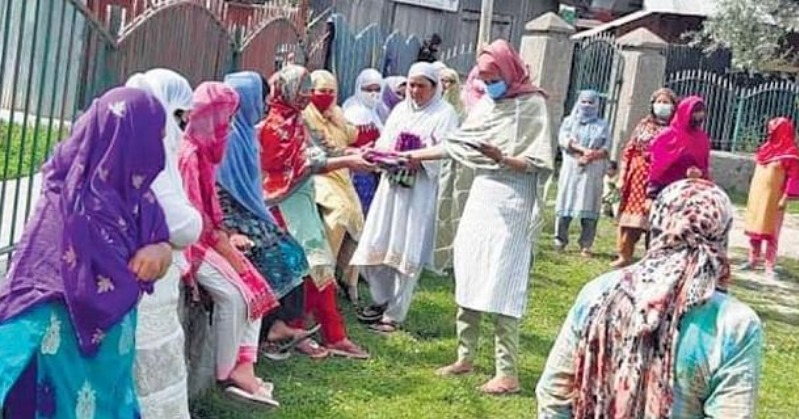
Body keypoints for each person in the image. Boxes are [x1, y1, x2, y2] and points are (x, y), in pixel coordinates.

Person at [0, 87, 173, 418]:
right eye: (154, 139)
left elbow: (162, 242)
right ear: (126, 144)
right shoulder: (62, 202)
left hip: (111, 354)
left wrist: (160, 252)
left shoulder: (140, 201)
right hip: (57, 342)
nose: (158, 153)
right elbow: (36, 274)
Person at [536, 179, 763, 419]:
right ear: (721, 235)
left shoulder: (599, 294)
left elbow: (554, 395)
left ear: (656, 225)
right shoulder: (734, 324)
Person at [408, 39, 553, 395]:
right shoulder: (486, 106)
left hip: (514, 199)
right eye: (484, 79)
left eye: (493, 77)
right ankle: (465, 356)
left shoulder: (532, 105)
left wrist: (502, 157)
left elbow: (538, 162)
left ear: (509, 71)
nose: (489, 85)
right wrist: (412, 156)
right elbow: (456, 144)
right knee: (470, 272)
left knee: (503, 282)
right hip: (483, 195)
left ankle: (508, 373)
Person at [178, 82, 280, 406]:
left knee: (256, 289)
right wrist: (225, 247)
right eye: (227, 118)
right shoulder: (189, 154)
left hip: (211, 239)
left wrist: (227, 240)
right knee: (235, 297)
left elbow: (214, 212)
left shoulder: (205, 153)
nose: (231, 126)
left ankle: (244, 368)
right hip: (191, 245)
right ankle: (227, 375)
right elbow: (196, 220)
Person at [260, 64, 370, 360]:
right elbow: (289, 170)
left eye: (311, 88)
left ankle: (326, 334)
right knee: (301, 269)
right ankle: (301, 333)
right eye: (303, 88)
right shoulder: (274, 126)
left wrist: (355, 155)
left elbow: (325, 150)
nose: (308, 95)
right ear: (286, 90)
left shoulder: (296, 121)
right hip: (283, 206)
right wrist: (343, 162)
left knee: (319, 268)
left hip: (303, 203)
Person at [350, 62, 459, 333]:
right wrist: (383, 155)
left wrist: (420, 160)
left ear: (434, 88)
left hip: (418, 191)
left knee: (407, 247)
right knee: (378, 241)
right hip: (390, 187)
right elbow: (386, 141)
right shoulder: (400, 110)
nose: (415, 91)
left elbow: (447, 149)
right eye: (411, 85)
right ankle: (380, 299)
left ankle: (395, 313)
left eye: (421, 85)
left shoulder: (445, 113)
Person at [217, 71, 312, 361]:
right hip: (229, 218)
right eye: (261, 96)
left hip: (249, 213)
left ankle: (277, 326)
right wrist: (231, 230)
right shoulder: (228, 137)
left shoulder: (245, 132)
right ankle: (269, 330)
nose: (267, 101)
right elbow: (218, 189)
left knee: (294, 252)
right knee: (273, 254)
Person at [125, 69, 202, 419]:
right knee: (149, 387)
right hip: (143, 299)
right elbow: (184, 227)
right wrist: (190, 222)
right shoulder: (150, 158)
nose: (181, 129)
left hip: (146, 293)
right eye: (179, 118)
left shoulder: (139, 148)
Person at [303, 70, 365, 304]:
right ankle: (322, 277)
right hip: (319, 173)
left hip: (341, 174)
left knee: (357, 215)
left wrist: (336, 118)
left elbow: (352, 135)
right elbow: (324, 148)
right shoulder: (306, 114)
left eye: (331, 92)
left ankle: (347, 278)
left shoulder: (336, 112)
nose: (326, 97)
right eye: (321, 92)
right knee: (338, 214)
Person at [612, 87, 677, 268]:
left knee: (656, 218)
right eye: (659, 102)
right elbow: (629, 150)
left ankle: (653, 256)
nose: (662, 106)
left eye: (666, 102)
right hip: (637, 176)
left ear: (673, 107)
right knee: (630, 219)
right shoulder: (644, 124)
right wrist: (623, 175)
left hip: (661, 177)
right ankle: (624, 255)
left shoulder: (675, 129)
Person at [554, 90, 612, 257]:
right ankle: (560, 241)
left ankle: (586, 244)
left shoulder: (603, 125)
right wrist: (582, 151)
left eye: (591, 103)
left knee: (590, 204)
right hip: (572, 167)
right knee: (566, 202)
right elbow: (564, 140)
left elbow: (606, 146)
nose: (587, 105)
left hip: (593, 170)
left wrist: (592, 155)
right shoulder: (569, 122)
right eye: (584, 102)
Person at [742, 117, 799, 279]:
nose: (770, 131)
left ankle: (769, 264)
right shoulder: (765, 149)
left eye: (774, 129)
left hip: (774, 198)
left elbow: (793, 177)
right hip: (758, 195)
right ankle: (752, 259)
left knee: (772, 230)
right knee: (755, 227)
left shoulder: (790, 152)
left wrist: (785, 197)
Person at [433, 66, 474, 274]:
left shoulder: (462, 111)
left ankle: (444, 256)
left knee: (445, 208)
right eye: (442, 81)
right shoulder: (433, 109)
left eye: (450, 82)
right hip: (430, 162)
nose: (446, 86)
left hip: (451, 165)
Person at [647, 95, 711, 199]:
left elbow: (704, 168)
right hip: (665, 192)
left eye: (701, 111)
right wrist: (650, 195)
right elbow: (656, 168)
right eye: (695, 111)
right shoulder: (666, 137)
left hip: (691, 193)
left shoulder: (702, 139)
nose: (699, 115)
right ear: (685, 112)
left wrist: (699, 174)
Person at [343, 68, 384, 215]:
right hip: (356, 168)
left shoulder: (377, 111)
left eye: (377, 89)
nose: (373, 94)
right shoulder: (353, 111)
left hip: (373, 166)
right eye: (368, 89)